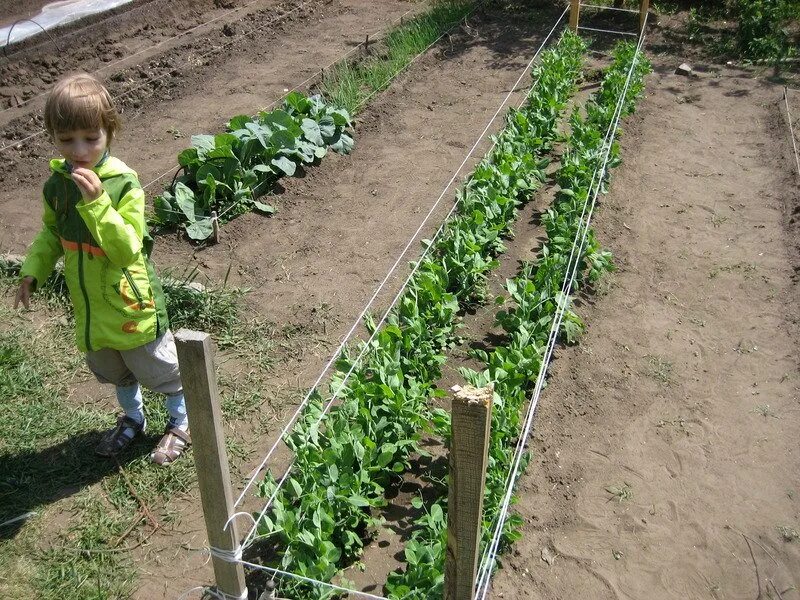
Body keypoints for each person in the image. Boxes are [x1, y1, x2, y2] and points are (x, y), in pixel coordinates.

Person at [14, 73, 190, 465]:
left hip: (129, 305)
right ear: (53, 138)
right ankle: (132, 418)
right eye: (66, 139)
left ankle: (182, 421)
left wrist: (96, 203)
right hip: (91, 308)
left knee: (158, 367)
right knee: (115, 369)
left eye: (90, 138)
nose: (79, 150)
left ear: (109, 132)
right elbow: (51, 234)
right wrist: (33, 272)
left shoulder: (123, 184)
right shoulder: (56, 186)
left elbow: (126, 250)